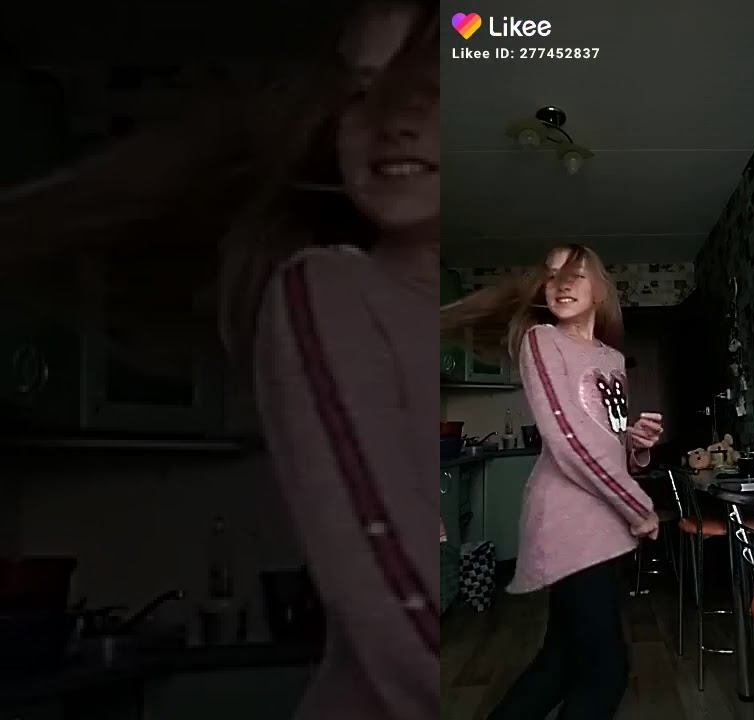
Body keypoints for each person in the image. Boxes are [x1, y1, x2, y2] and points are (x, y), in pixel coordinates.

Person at [1, 2, 442, 719]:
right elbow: (395, 597)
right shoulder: (330, 288)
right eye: (360, 93)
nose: (390, 119)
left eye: (432, 88)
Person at [444, 244, 665, 719]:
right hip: (568, 523)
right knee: (605, 674)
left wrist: (635, 442)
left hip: (606, 523)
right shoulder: (543, 340)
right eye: (551, 276)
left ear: (600, 289)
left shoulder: (613, 359)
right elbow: (568, 441)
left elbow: (605, 439)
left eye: (575, 274)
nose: (561, 283)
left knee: (559, 662)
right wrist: (640, 507)